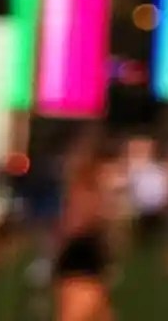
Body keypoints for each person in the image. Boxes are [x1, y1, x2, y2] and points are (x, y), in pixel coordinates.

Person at [55, 129, 112, 321]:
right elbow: (74, 225)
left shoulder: (86, 189)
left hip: (85, 258)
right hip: (81, 260)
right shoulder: (84, 191)